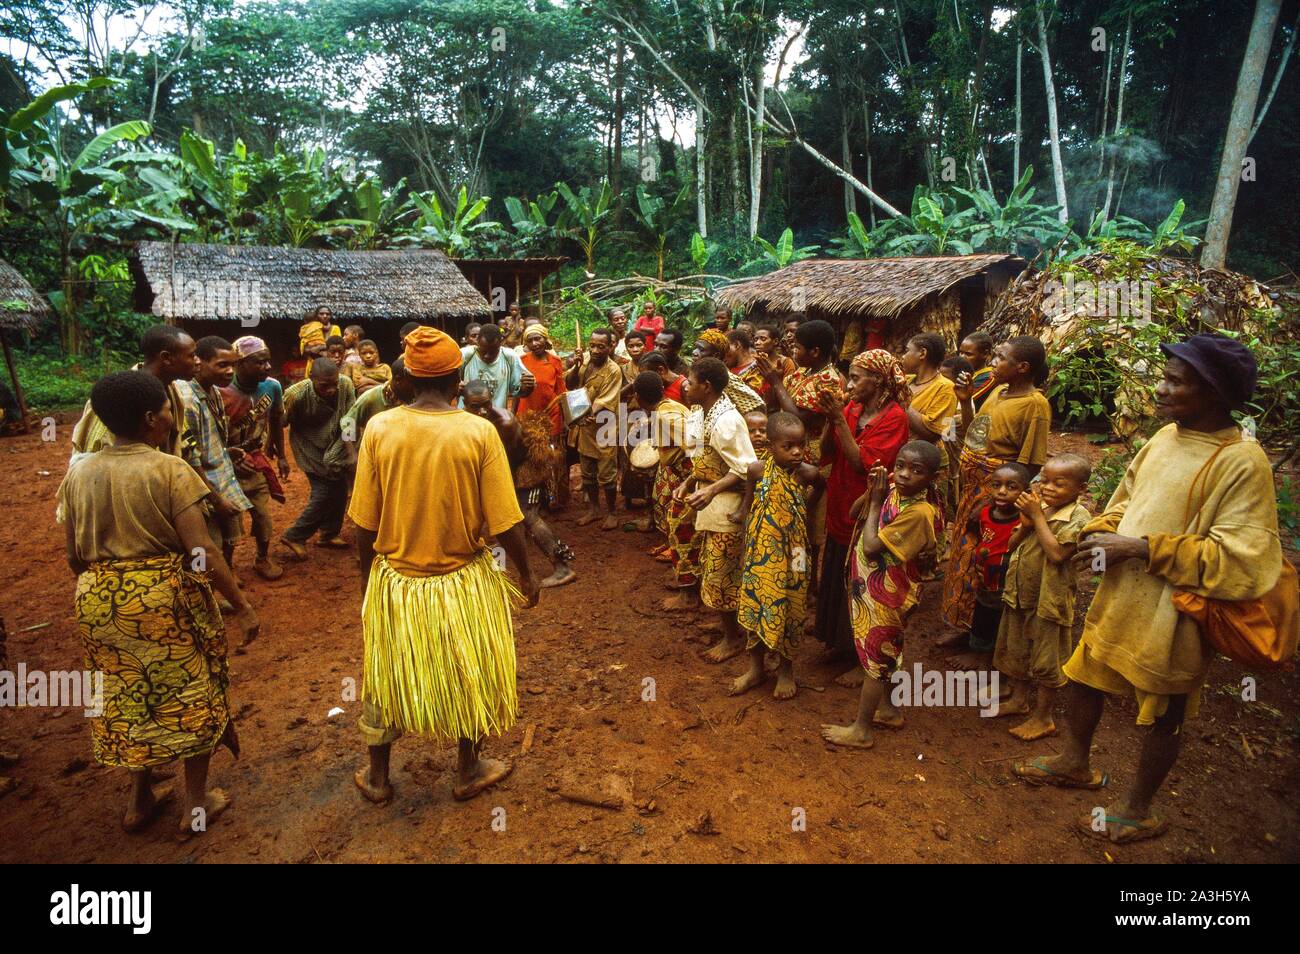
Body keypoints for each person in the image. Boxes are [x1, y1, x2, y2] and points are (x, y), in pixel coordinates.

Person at [1014, 336, 1285, 844]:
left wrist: (1140, 549)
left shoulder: (1242, 462)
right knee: (1086, 678)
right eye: (1165, 377)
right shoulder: (1165, 437)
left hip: (1175, 610)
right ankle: (1074, 761)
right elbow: (1126, 500)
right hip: (1123, 594)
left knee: (1168, 710)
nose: (1160, 389)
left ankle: (1138, 809)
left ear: (1213, 391)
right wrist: (1099, 534)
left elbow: (1243, 561)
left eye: (1174, 382)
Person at [58, 371, 258, 835]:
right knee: (191, 695)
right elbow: (201, 552)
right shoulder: (170, 470)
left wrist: (107, 592)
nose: (173, 414)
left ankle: (139, 798)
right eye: (169, 408)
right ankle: (196, 804)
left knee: (129, 696)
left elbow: (73, 556)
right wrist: (242, 605)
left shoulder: (78, 473)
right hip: (162, 598)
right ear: (153, 419)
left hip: (98, 597)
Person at [349, 328, 539, 805]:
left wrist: (367, 577)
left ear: (407, 378)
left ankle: (378, 776)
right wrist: (528, 573)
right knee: (472, 668)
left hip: (397, 580)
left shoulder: (380, 428)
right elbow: (506, 520)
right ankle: (468, 768)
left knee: (385, 672)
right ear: (459, 378)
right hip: (461, 579)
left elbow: (362, 523)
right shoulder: (478, 432)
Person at [821, 441, 944, 749]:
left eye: (915, 471)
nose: (903, 475)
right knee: (889, 652)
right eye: (899, 466)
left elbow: (872, 546)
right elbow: (853, 513)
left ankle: (862, 729)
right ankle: (889, 711)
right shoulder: (894, 491)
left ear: (932, 478)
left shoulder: (919, 512)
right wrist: (872, 490)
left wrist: (876, 500)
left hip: (890, 592)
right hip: (874, 586)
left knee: (876, 657)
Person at [941, 336, 1052, 664]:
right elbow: (977, 433)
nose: (992, 362)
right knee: (967, 557)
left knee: (990, 565)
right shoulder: (996, 391)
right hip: (975, 487)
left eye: (1000, 358)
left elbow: (1030, 463)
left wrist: (998, 501)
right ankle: (966, 626)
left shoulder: (1035, 404)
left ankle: (984, 646)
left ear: (1022, 368)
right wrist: (964, 402)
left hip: (998, 494)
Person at [815, 350, 911, 684]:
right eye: (850, 377)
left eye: (857, 378)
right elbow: (827, 451)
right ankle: (841, 643)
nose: (850, 384)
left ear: (879, 381)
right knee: (838, 568)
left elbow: (864, 464)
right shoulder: (852, 408)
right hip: (841, 500)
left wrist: (838, 419)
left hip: (868, 507)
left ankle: (863, 660)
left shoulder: (895, 417)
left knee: (862, 578)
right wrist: (832, 418)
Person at [994, 453, 1092, 741]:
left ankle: (1043, 717)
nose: (1048, 488)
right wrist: (1026, 524)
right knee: (1017, 648)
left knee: (1047, 660)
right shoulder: (1042, 507)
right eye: (1044, 481)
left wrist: (1036, 517)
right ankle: (1018, 699)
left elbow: (1058, 554)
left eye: (1058, 484)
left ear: (1080, 489)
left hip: (1049, 600)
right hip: (1020, 593)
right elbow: (1011, 545)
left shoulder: (1077, 518)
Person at [731, 412, 823, 700]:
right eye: (788, 446)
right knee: (757, 603)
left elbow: (821, 489)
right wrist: (746, 541)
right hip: (762, 550)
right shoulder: (757, 470)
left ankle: (786, 670)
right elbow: (747, 507)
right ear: (770, 445)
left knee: (793, 607)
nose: (797, 452)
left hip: (796, 549)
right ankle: (756, 668)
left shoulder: (808, 473)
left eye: (801, 445)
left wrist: (802, 507)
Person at [676, 357, 758, 663]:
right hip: (710, 502)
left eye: (691, 380)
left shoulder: (727, 421)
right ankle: (729, 624)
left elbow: (747, 468)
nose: (686, 385)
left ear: (706, 386)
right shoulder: (701, 410)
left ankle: (733, 638)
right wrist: (691, 480)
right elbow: (704, 457)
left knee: (722, 571)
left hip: (727, 507)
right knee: (714, 567)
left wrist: (711, 489)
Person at [464, 381, 577, 588]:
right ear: (464, 403)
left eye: (486, 405)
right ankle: (498, 570)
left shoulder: (504, 423)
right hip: (502, 467)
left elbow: (509, 460)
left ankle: (563, 568)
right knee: (495, 520)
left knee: (527, 515)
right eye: (475, 406)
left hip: (524, 469)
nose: (481, 411)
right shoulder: (464, 420)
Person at [759, 319, 845, 587]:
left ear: (815, 352)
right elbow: (777, 404)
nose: (793, 352)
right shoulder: (799, 373)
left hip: (814, 458)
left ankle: (805, 582)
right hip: (789, 457)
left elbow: (798, 420)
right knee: (788, 518)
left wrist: (776, 381)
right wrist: (772, 382)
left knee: (809, 526)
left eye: (797, 347)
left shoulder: (830, 380)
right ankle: (787, 574)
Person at [70, 324, 194, 463]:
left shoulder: (172, 392)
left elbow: (182, 445)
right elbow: (94, 462)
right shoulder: (117, 396)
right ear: (166, 358)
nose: (197, 361)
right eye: (191, 355)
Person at [181, 336, 253, 575]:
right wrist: (216, 499)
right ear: (200, 363)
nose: (230, 371)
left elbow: (207, 442)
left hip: (221, 479)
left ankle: (222, 579)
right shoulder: (188, 401)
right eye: (222, 365)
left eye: (232, 364)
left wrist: (226, 451)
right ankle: (205, 595)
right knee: (204, 548)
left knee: (226, 540)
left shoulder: (212, 393)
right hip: (203, 489)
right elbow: (188, 459)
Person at [221, 337, 291, 581]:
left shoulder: (272, 387)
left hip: (254, 458)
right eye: (260, 362)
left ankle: (262, 558)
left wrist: (281, 456)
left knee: (262, 514)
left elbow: (275, 420)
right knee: (230, 518)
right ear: (240, 363)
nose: (268, 367)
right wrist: (227, 457)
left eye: (268, 362)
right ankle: (227, 567)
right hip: (225, 463)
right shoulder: (221, 391)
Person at [634, 371, 699, 610]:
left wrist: (690, 482)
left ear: (638, 397)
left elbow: (695, 446)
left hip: (689, 478)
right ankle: (688, 581)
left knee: (682, 530)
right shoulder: (668, 406)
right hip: (684, 476)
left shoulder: (667, 414)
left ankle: (688, 595)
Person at [280, 357, 356, 558]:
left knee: (339, 488)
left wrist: (350, 452)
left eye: (334, 385)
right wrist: (278, 452)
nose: (331, 390)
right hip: (308, 445)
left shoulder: (346, 385)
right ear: (311, 378)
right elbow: (278, 421)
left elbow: (349, 420)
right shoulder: (295, 394)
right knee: (324, 491)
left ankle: (329, 534)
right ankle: (295, 535)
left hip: (336, 442)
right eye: (324, 386)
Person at [961, 462, 1032, 668]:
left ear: (1025, 492)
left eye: (1011, 487)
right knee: (983, 613)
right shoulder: (984, 513)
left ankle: (989, 659)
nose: (1002, 492)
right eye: (996, 485)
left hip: (1007, 582)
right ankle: (980, 652)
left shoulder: (1024, 519)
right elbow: (979, 536)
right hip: (985, 578)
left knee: (1001, 619)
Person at [566, 327, 624, 529]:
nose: (596, 350)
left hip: (604, 427)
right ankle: (594, 509)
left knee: (607, 473)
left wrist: (585, 414)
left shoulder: (613, 370)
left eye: (601, 346)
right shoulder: (585, 364)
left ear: (610, 346)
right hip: (586, 427)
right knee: (587, 472)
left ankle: (611, 512)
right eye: (592, 345)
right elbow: (571, 386)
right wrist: (575, 367)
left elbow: (605, 399)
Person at [901, 333, 959, 511]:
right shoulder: (907, 381)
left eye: (907, 351)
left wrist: (902, 400)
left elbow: (932, 432)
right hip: (903, 457)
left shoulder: (945, 387)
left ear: (922, 353)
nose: (903, 356)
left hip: (925, 463)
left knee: (925, 513)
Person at [515, 324, 569, 508]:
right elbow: (515, 390)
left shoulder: (555, 361)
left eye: (538, 339)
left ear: (545, 339)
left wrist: (567, 418)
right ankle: (533, 495)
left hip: (551, 414)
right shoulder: (520, 360)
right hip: (527, 415)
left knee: (551, 454)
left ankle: (553, 496)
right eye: (530, 340)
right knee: (531, 456)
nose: (534, 343)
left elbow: (561, 391)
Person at [341, 357, 414, 468]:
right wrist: (352, 453)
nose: (417, 387)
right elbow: (348, 421)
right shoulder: (371, 397)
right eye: (413, 383)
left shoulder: (413, 398)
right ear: (398, 380)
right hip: (374, 457)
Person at [461, 322, 534, 412]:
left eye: (493, 352)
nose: (487, 356)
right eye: (483, 351)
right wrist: (457, 386)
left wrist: (527, 386)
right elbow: (448, 387)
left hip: (496, 417)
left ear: (501, 343)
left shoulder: (509, 356)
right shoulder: (465, 355)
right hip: (468, 417)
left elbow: (520, 392)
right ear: (478, 342)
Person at [692, 328, 764, 414]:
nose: (694, 352)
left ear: (716, 356)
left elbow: (757, 406)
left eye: (701, 350)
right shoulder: (699, 373)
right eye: (696, 347)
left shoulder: (725, 378)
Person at [751, 324, 796, 407]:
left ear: (775, 341)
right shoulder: (754, 361)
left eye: (763, 339)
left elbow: (790, 392)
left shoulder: (785, 362)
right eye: (755, 339)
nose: (757, 343)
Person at [959, 332, 998, 405]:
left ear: (985, 354)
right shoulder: (965, 373)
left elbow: (961, 400)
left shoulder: (988, 377)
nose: (962, 357)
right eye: (961, 353)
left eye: (968, 354)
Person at [726, 328, 765, 397]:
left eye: (726, 348)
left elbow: (751, 398)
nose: (723, 353)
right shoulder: (730, 367)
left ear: (736, 345)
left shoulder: (758, 368)